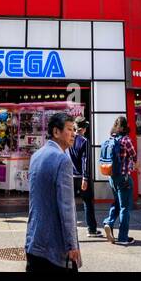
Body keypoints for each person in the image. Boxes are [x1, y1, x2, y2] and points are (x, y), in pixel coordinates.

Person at [25, 112, 81, 271]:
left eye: (74, 129)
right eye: (69, 129)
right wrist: (72, 244)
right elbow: (67, 207)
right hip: (54, 247)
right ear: (56, 132)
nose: (73, 134)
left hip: (34, 240)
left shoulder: (36, 155)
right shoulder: (63, 160)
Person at [100, 115, 137, 245]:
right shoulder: (126, 140)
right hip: (124, 178)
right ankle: (122, 238)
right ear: (126, 126)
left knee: (117, 202)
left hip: (112, 177)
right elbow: (134, 155)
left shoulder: (111, 138)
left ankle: (108, 222)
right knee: (125, 208)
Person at [68, 118, 99, 239]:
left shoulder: (69, 139)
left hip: (70, 176)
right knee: (88, 203)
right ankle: (91, 229)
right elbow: (85, 160)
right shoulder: (84, 141)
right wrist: (85, 178)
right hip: (82, 177)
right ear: (83, 129)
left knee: (70, 204)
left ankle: (69, 231)